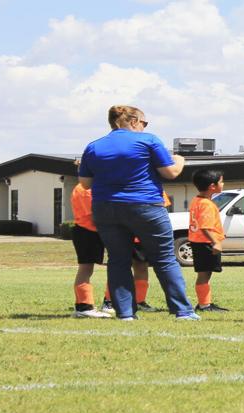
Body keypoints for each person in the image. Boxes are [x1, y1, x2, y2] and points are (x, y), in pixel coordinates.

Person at [77, 104, 198, 320]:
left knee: (118, 260)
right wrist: (180, 161)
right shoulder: (148, 140)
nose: (145, 127)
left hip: (106, 207)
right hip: (146, 205)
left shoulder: (94, 146)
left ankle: (125, 313)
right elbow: (170, 172)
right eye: (144, 122)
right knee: (164, 259)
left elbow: (85, 183)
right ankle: (183, 311)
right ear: (133, 121)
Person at [67, 161, 113, 318]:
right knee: (86, 268)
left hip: (92, 231)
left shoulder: (88, 187)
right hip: (88, 231)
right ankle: (83, 306)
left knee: (94, 268)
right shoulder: (85, 190)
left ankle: (106, 302)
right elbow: (96, 217)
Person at [188, 169, 228, 311]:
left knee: (204, 273)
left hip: (198, 242)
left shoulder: (196, 200)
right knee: (205, 274)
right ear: (212, 186)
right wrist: (215, 242)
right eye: (221, 182)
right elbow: (205, 227)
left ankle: (205, 303)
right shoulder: (207, 204)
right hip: (205, 243)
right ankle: (204, 305)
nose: (223, 184)